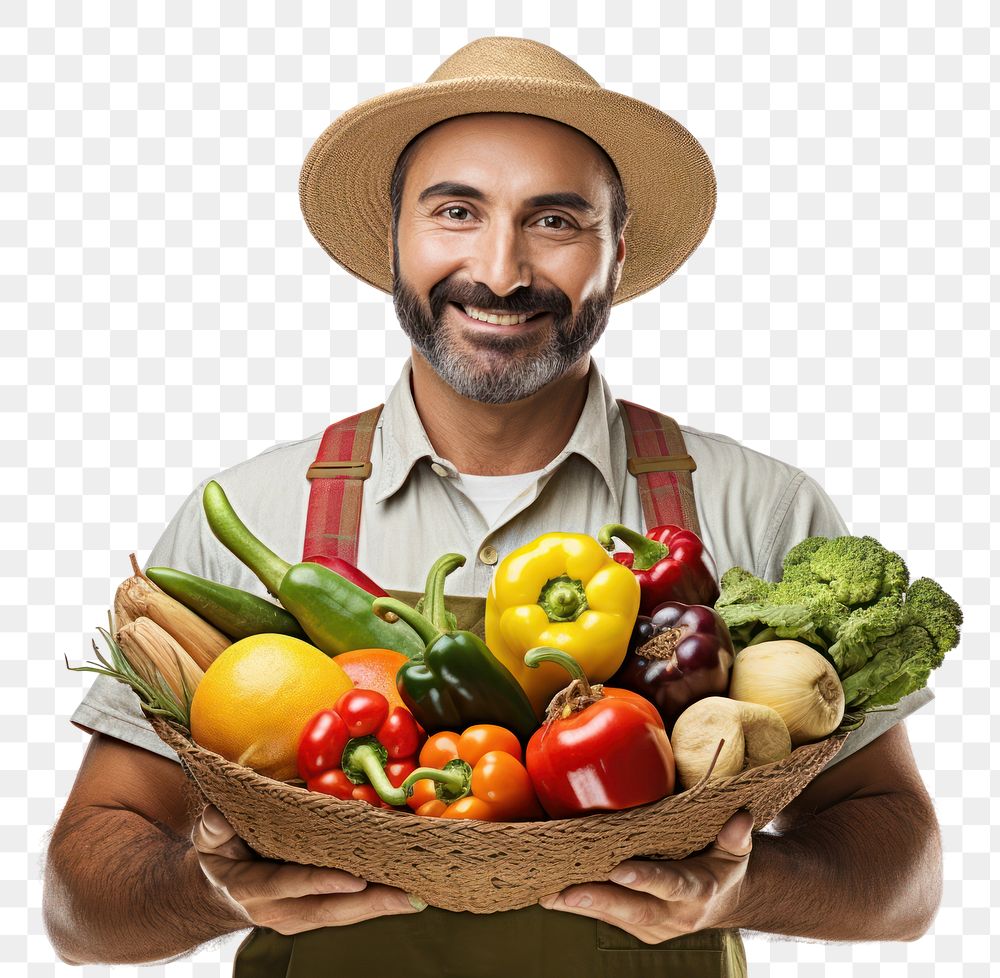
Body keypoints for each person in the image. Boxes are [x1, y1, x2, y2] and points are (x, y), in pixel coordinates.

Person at [43, 37, 941, 977]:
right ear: (397, 238)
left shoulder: (757, 508)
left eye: (554, 219)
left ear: (617, 255)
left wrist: (742, 888)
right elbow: (79, 911)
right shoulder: (255, 512)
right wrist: (209, 886)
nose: (503, 270)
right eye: (456, 211)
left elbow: (907, 883)